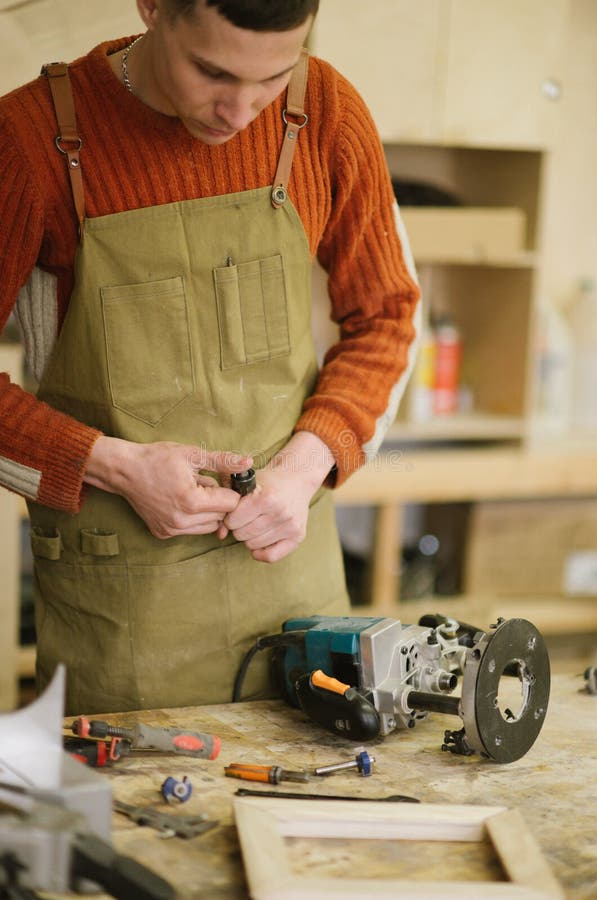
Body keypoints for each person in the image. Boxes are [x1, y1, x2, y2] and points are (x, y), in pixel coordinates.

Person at [0, 0, 420, 715]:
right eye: (212, 72)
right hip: (124, 613)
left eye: (272, 78)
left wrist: (301, 468)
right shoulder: (31, 138)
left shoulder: (323, 109)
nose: (240, 111)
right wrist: (113, 464)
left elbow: (387, 316)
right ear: (152, 6)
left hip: (295, 594)